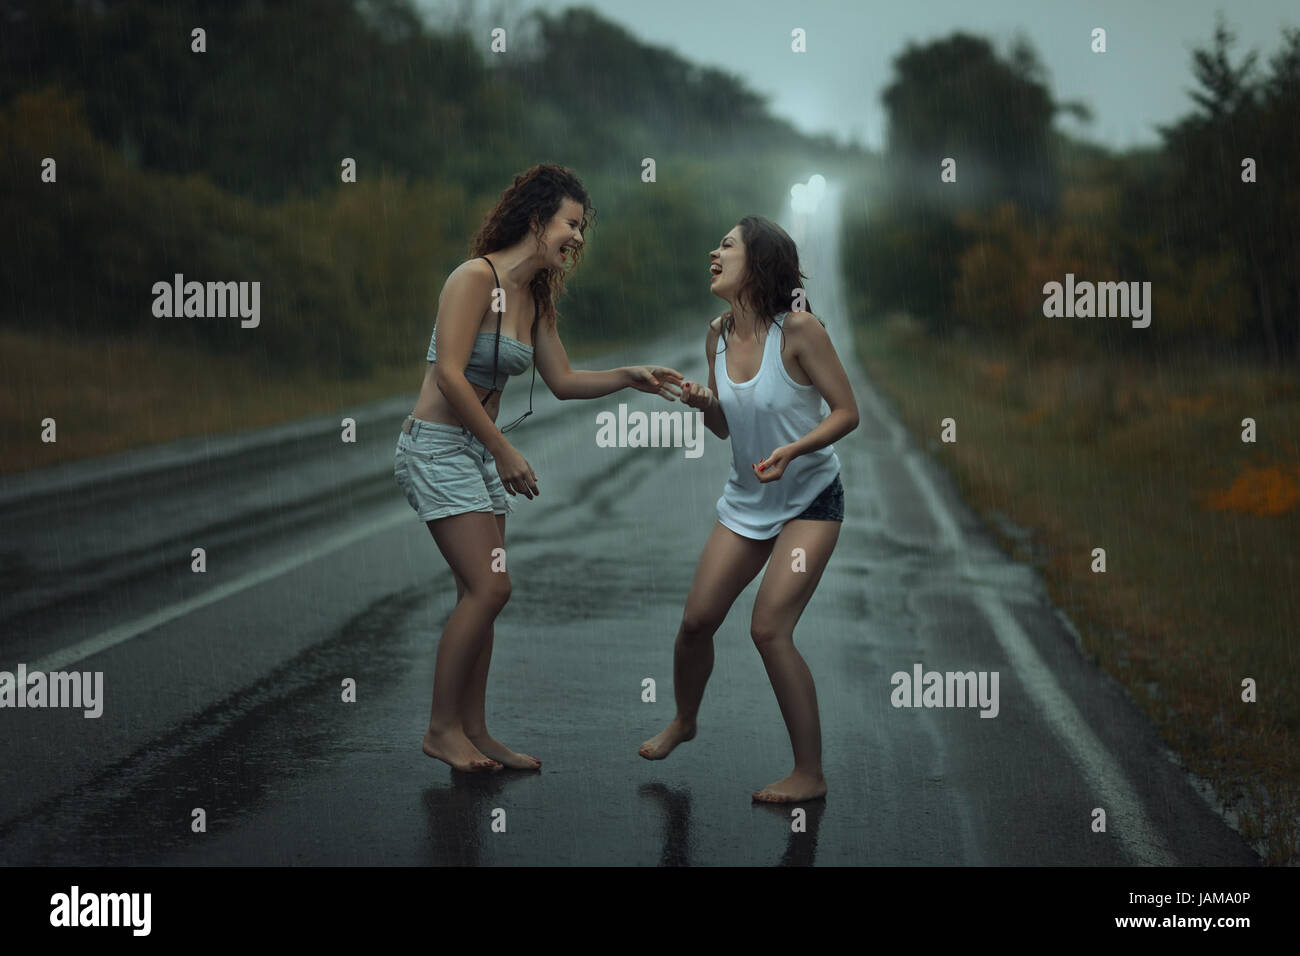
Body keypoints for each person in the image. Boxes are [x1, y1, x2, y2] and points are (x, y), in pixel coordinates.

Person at [395, 163, 685, 773]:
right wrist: (503, 451)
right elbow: (449, 374)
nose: (579, 238)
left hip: (477, 450)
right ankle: (441, 729)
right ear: (536, 219)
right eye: (571, 224)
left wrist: (631, 375)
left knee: (480, 594)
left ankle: (475, 730)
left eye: (583, 228)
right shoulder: (475, 277)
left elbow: (564, 381)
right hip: (438, 446)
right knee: (491, 586)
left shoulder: (535, 296)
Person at [638, 215, 859, 803]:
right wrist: (702, 402)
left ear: (756, 262)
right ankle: (685, 720)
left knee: (769, 629)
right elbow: (721, 428)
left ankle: (808, 774)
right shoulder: (716, 334)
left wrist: (795, 448)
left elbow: (846, 413)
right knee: (695, 624)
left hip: (810, 502)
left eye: (728, 245)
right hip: (747, 502)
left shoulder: (800, 331)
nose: (714, 251)